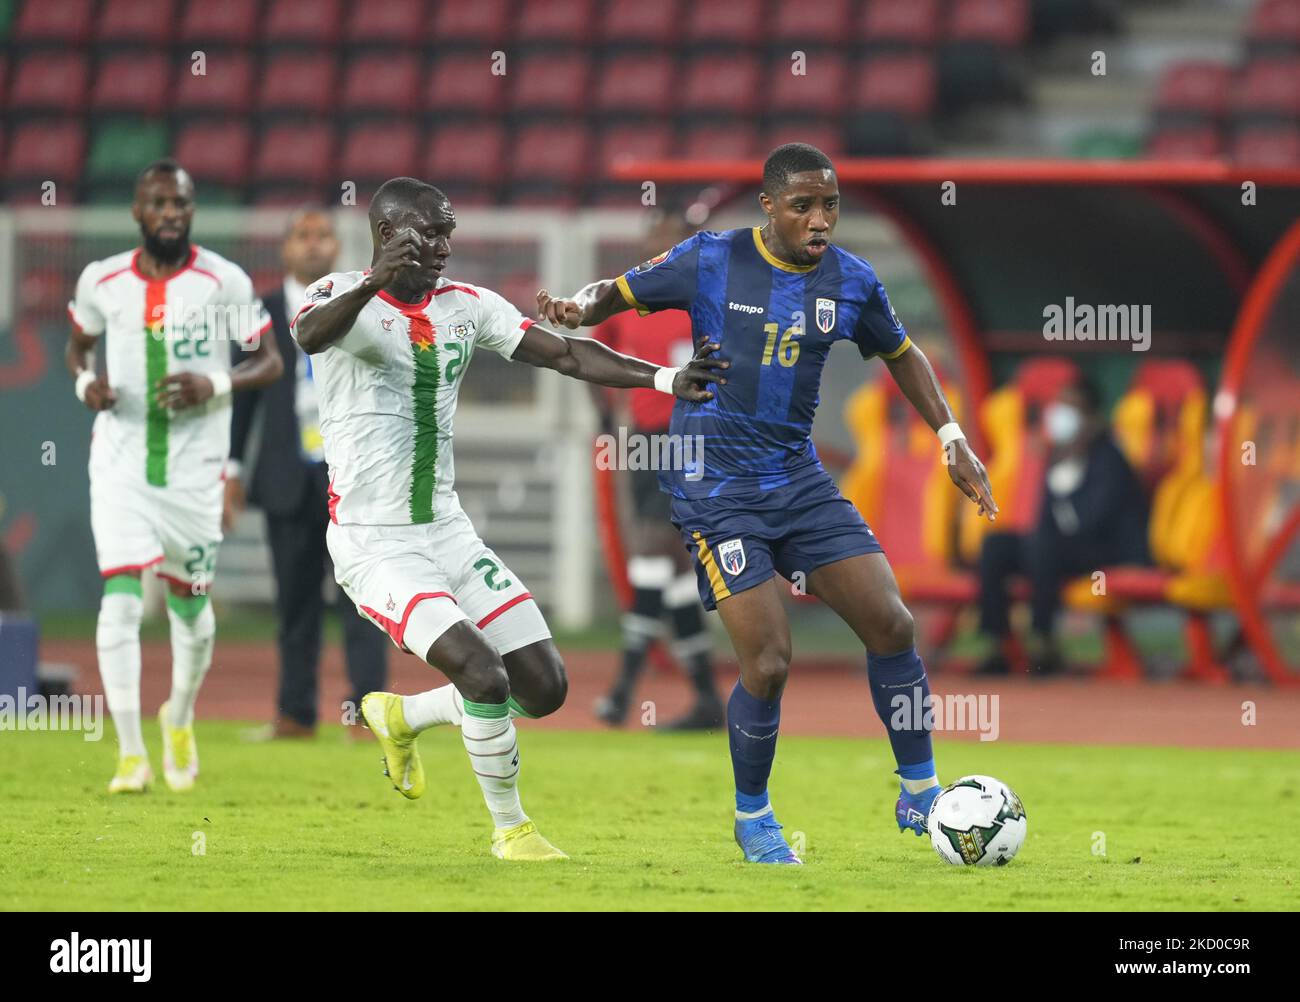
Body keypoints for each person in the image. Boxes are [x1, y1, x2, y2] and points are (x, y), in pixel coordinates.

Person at [537, 143, 998, 864]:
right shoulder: (711, 258)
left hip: (797, 479)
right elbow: (618, 291)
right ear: (770, 207)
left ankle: (920, 792)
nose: (821, 221)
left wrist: (950, 435)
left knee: (892, 622)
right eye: (804, 206)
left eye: (831, 206)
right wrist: (577, 305)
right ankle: (753, 819)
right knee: (769, 661)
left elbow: (903, 353)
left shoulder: (853, 281)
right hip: (715, 489)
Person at [292, 177, 722, 861]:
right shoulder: (336, 293)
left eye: (447, 232)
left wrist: (665, 380)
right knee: (484, 675)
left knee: (544, 687)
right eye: (425, 233)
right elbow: (311, 335)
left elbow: (565, 353)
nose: (440, 247)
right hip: (374, 542)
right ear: (384, 233)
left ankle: (402, 715)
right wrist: (376, 279)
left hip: (447, 531)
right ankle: (511, 830)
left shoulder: (468, 306)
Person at [66, 159, 282, 793]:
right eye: (158, 204)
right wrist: (86, 384)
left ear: (191, 211)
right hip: (121, 461)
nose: (170, 215)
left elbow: (266, 361)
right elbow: (78, 345)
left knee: (190, 605)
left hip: (194, 469)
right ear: (138, 212)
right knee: (121, 598)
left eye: (180, 205)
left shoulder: (223, 281)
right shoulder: (100, 279)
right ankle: (130, 755)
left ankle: (179, 715)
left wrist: (213, 383)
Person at [226, 209, 387, 738]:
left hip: (353, 474)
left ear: (336, 247)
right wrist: (230, 468)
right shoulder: (261, 312)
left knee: (364, 602)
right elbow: (243, 398)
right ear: (285, 248)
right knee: (294, 604)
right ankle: (295, 713)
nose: (315, 245)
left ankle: (367, 713)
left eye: (324, 236)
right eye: (304, 236)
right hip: (286, 473)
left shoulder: (359, 306)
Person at [590, 208, 724, 731]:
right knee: (670, 574)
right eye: (654, 239)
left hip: (693, 443)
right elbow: (592, 352)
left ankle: (623, 689)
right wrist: (604, 413)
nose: (659, 248)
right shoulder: (630, 304)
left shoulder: (705, 303)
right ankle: (706, 699)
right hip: (646, 444)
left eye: (669, 239)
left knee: (653, 557)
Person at [976, 377, 1149, 675]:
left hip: (1104, 550)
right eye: (1060, 407)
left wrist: (1048, 535)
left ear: (1093, 418)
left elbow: (1094, 522)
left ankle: (1044, 641)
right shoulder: (1055, 458)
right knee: (996, 545)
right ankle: (999, 643)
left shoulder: (1109, 459)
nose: (1061, 416)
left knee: (1042, 544)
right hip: (1055, 549)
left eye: (1072, 409)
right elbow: (1046, 517)